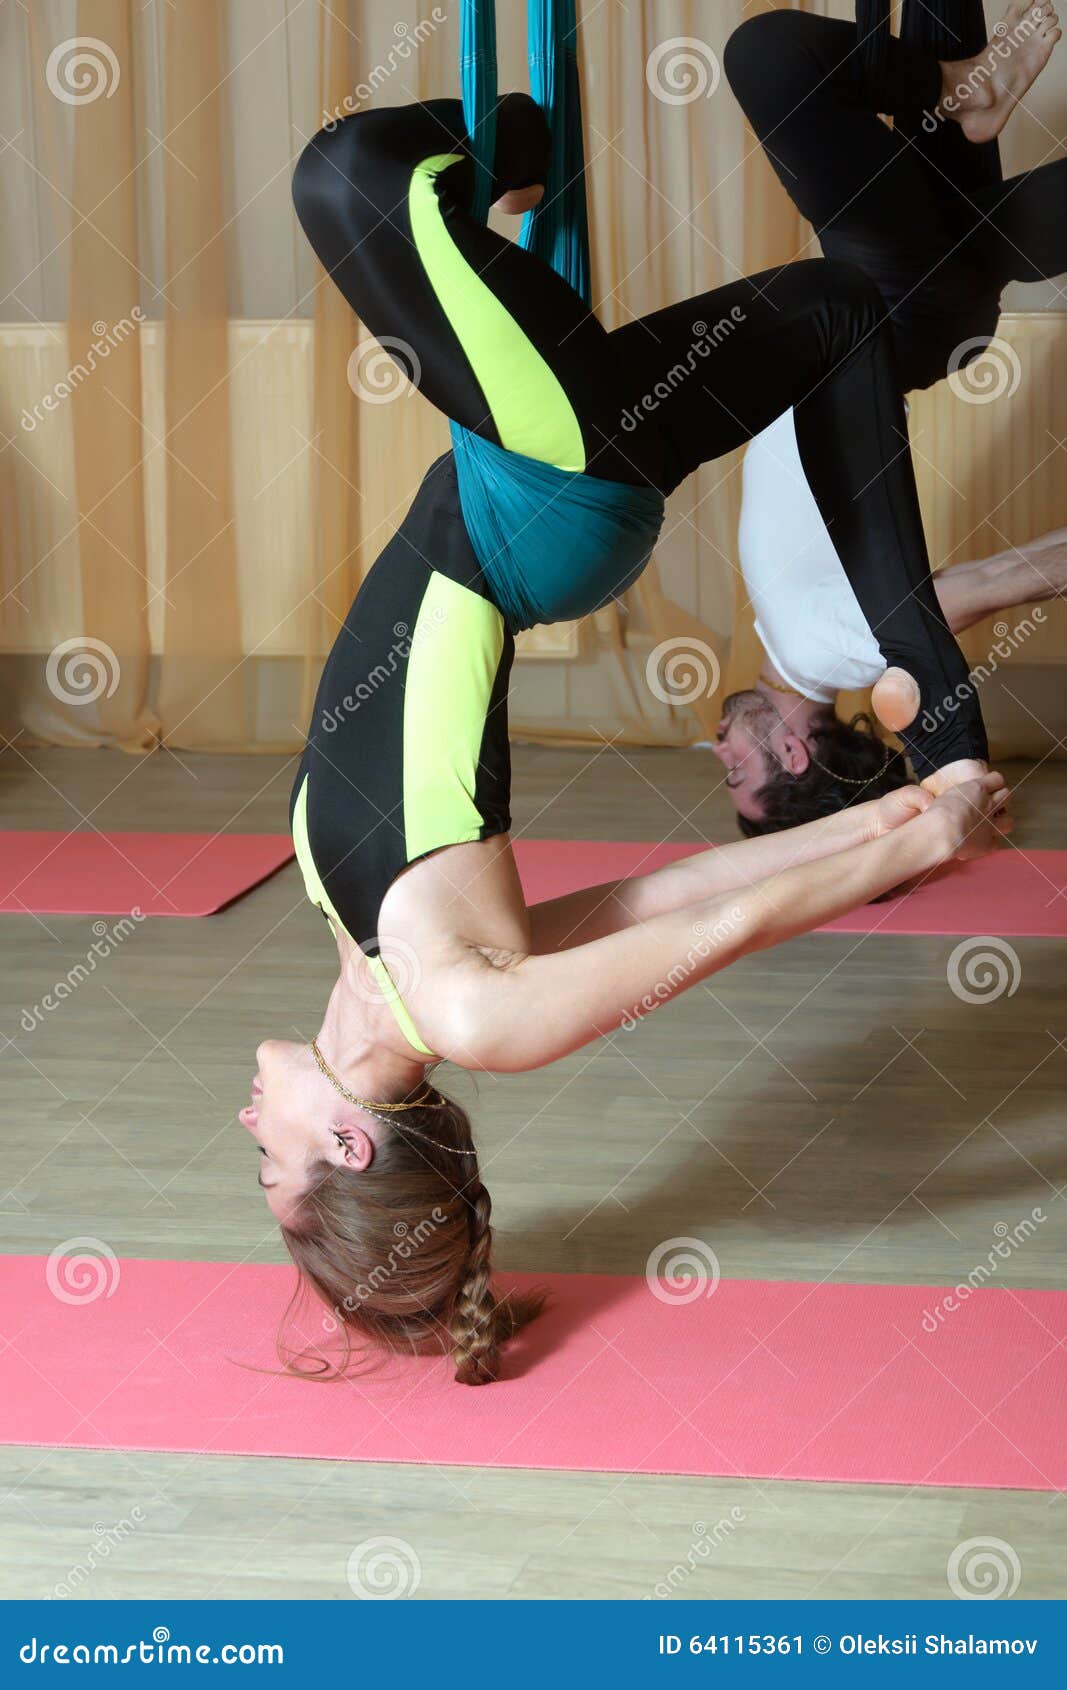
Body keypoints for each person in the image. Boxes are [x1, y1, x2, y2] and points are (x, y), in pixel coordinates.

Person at [245, 80, 1010, 1385]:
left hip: (537, 473)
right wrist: (914, 843)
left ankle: (517, 181)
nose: (249, 1123)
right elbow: (710, 927)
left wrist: (895, 815)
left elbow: (660, 891)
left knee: (834, 312)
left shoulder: (388, 969)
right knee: (348, 174)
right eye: (270, 1154)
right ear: (349, 1143)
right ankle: (510, 160)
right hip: (540, 497)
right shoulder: (470, 1012)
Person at [720, 0, 1065, 832]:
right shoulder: (835, 649)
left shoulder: (795, 633)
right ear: (792, 755)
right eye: (736, 768)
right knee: (768, 59)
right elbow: (1001, 581)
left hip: (918, 310)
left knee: (940, 50)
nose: (720, 748)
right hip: (898, 314)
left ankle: (959, 90)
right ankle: (964, 91)